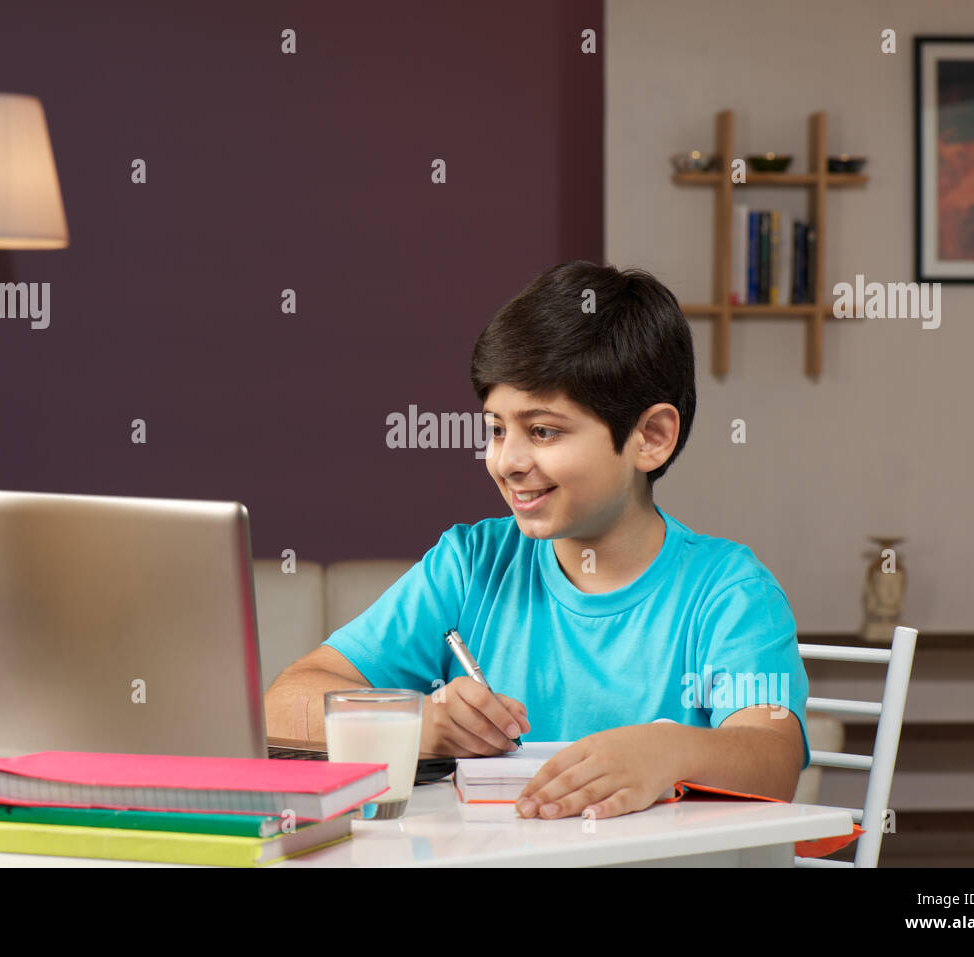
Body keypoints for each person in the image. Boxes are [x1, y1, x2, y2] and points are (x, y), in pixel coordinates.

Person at [264, 260, 810, 820]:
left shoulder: (728, 590)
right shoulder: (470, 564)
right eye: (496, 429)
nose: (507, 461)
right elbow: (284, 704)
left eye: (543, 430)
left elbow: (773, 757)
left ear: (651, 438)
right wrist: (423, 726)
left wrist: (670, 752)